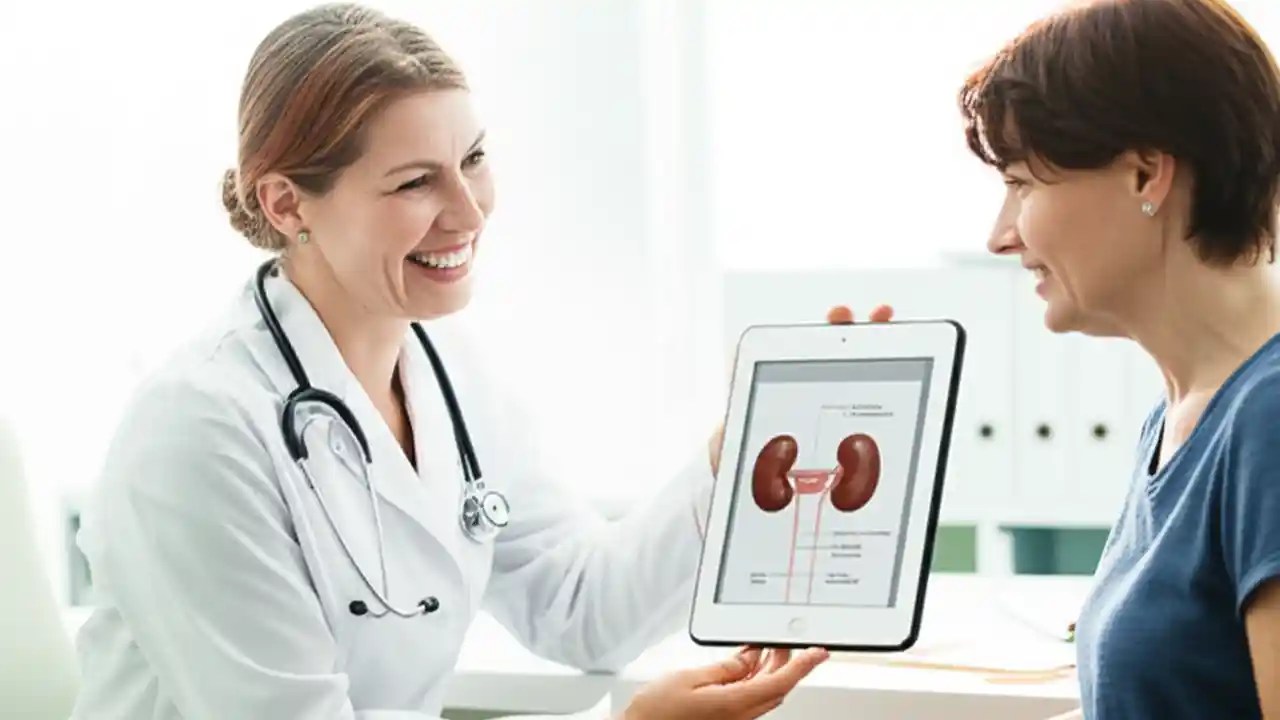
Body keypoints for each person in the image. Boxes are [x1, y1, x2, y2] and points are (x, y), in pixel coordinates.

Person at [67, 4, 895, 719]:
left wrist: (742, 443)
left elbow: (583, 609)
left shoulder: (444, 371)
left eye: (472, 160)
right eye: (414, 183)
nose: (468, 213)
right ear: (286, 203)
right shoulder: (198, 432)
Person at [958, 0, 1280, 718]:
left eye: (1021, 183)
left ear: (1144, 174)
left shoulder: (1270, 420)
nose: (1000, 236)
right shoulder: (1177, 418)